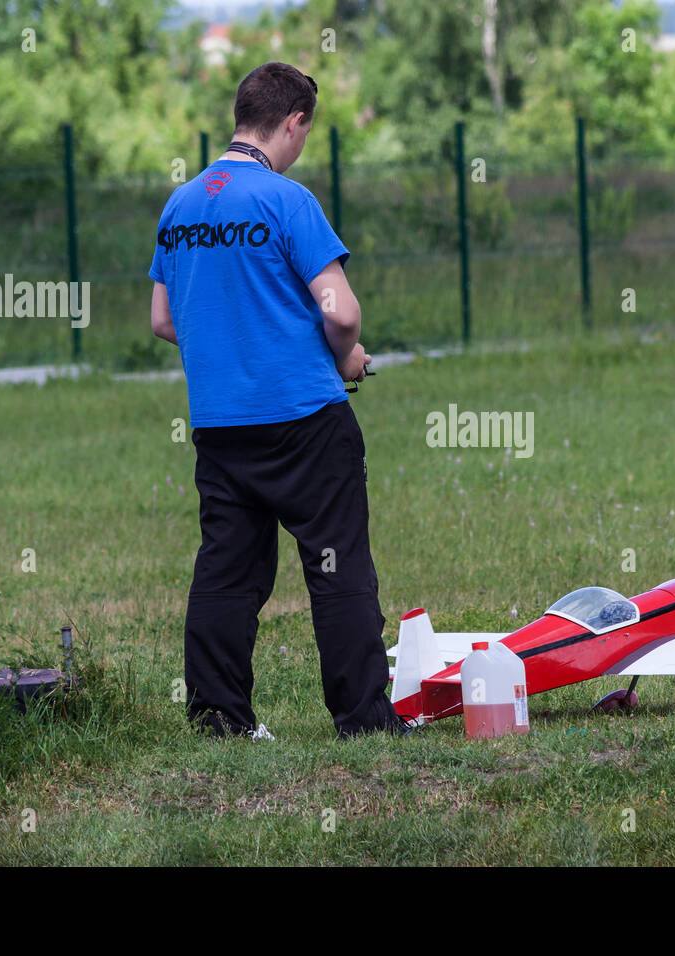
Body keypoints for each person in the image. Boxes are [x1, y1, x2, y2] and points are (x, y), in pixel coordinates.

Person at [148, 61, 406, 740]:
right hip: (304, 420)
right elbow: (341, 311)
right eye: (305, 132)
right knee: (337, 565)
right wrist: (344, 354)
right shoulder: (286, 200)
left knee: (227, 573)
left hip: (221, 425)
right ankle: (363, 720)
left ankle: (219, 719)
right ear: (293, 121)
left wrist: (231, 341)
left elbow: (164, 320)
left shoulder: (182, 204)